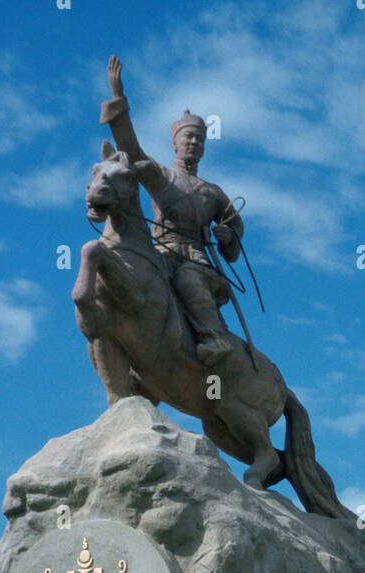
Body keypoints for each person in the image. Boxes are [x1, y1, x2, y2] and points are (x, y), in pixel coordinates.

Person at [100, 55, 244, 366]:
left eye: (199, 139)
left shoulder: (214, 192)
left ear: (204, 147)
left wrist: (227, 235)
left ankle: (213, 338)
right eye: (188, 137)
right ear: (175, 144)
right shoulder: (161, 176)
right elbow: (131, 149)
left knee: (189, 279)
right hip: (162, 257)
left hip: (199, 266)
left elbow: (236, 234)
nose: (193, 142)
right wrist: (118, 99)